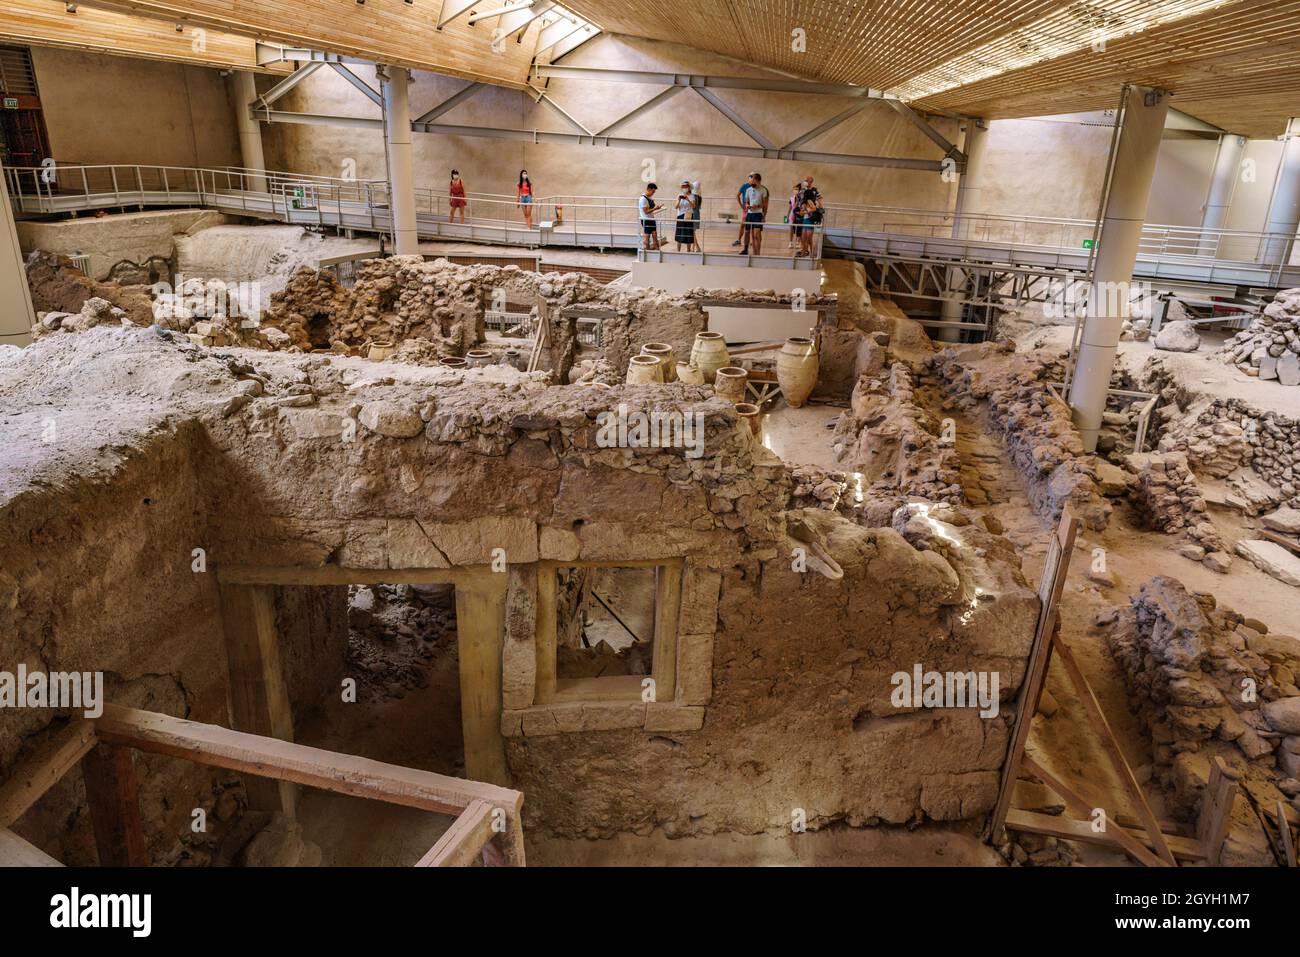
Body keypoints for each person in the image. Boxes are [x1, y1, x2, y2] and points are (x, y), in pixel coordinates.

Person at [740, 172, 769, 255]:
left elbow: (765, 204)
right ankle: (745, 250)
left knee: (756, 234)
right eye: (751, 182)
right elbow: (746, 202)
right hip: (749, 214)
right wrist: (747, 205)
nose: (751, 183)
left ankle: (757, 253)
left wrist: (759, 207)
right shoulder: (749, 190)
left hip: (758, 214)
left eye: (753, 182)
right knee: (747, 232)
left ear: (758, 181)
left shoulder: (763, 190)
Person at [732, 174, 755, 247]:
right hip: (746, 209)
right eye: (750, 179)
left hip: (754, 209)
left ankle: (753, 241)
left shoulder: (757, 187)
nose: (751, 181)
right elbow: (737, 195)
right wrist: (741, 206)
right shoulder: (745, 186)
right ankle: (739, 240)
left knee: (753, 226)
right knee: (743, 225)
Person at [638, 182, 663, 250]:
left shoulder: (650, 198)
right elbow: (646, 211)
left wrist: (656, 207)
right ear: (649, 189)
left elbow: (651, 208)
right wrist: (655, 208)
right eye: (653, 191)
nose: (653, 193)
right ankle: (647, 252)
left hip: (651, 219)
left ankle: (657, 251)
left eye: (654, 192)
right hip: (646, 219)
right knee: (647, 237)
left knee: (655, 236)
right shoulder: (643, 199)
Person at [674, 180, 696, 251]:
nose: (684, 188)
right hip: (680, 215)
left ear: (689, 187)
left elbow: (694, 206)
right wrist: (679, 200)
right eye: (683, 187)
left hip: (688, 216)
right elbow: (676, 207)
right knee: (679, 233)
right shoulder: (679, 195)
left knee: (688, 233)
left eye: (685, 186)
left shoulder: (692, 196)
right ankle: (678, 250)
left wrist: (688, 199)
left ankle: (688, 250)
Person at [787, 182, 802, 248]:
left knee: (799, 228)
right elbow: (790, 207)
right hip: (792, 215)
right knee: (791, 229)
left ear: (799, 191)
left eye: (797, 189)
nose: (795, 191)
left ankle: (798, 243)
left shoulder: (801, 198)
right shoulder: (792, 198)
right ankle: (790, 243)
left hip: (799, 215)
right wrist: (787, 215)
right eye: (794, 189)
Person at [690, 180, 703, 252]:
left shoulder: (693, 197)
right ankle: (693, 248)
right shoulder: (699, 197)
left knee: (692, 233)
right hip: (697, 214)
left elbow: (693, 206)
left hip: (693, 215)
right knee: (693, 232)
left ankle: (697, 247)